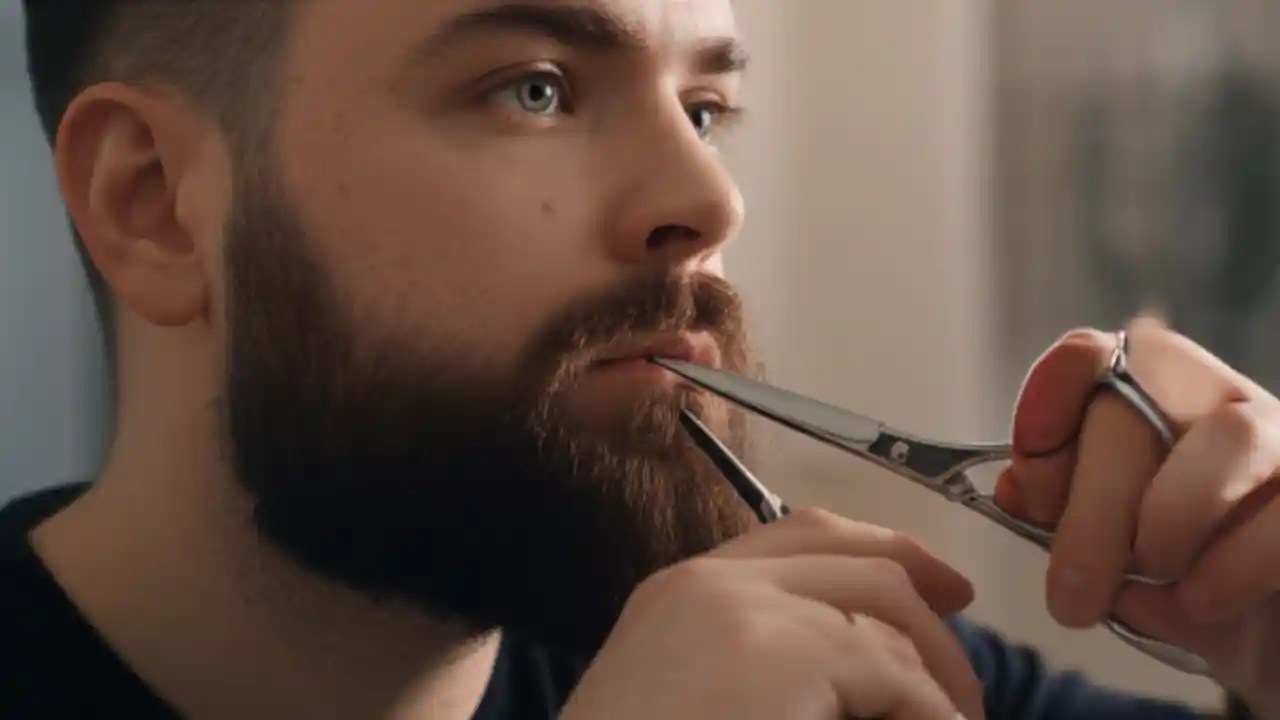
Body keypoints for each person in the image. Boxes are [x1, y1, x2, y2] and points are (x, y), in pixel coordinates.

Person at [4, 1, 1277, 718]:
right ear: (156, 200)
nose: (709, 200)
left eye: (704, 107)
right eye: (536, 89)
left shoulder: (815, 669)